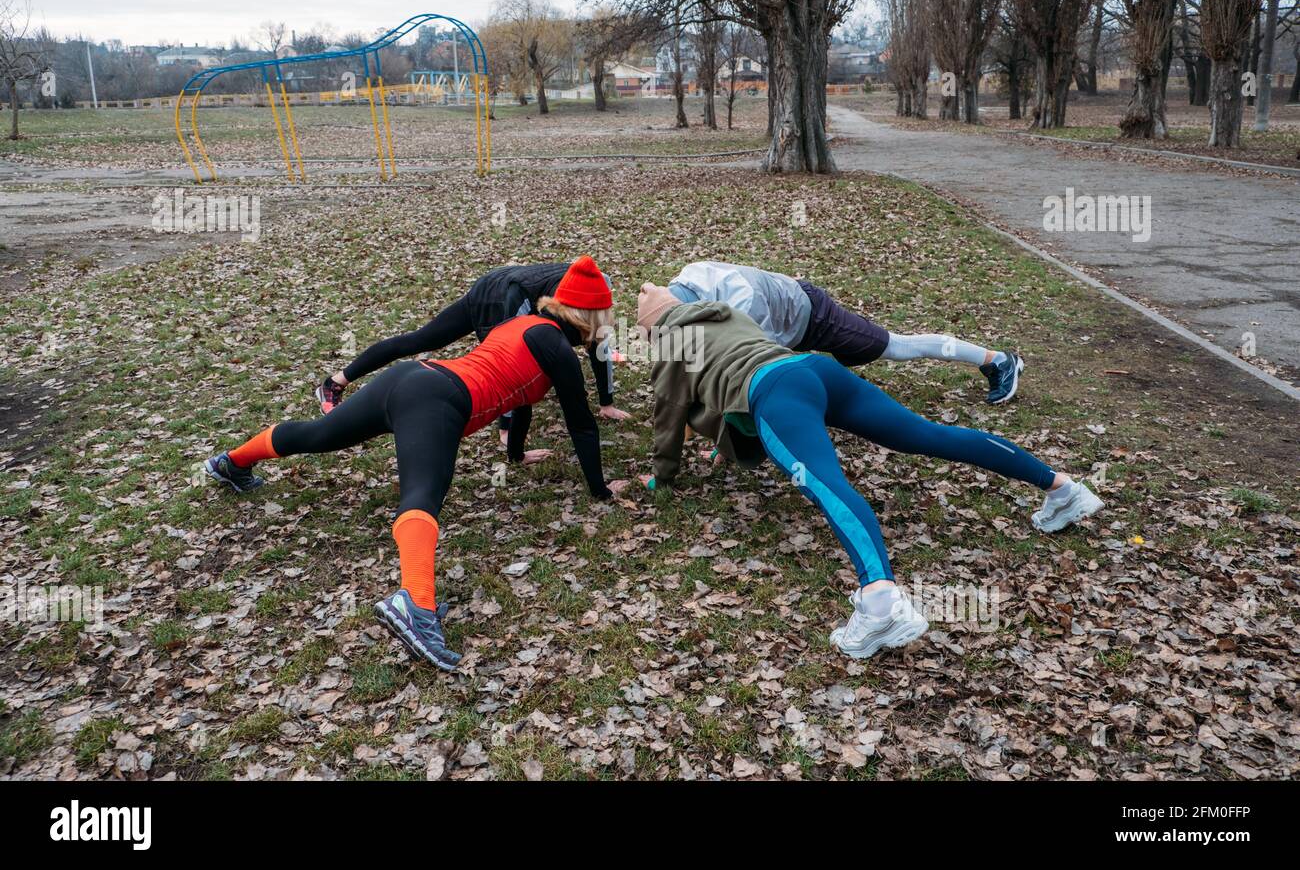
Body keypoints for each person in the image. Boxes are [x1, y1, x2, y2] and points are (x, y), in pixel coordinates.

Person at [636, 283, 1103, 660]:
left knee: (826, 485)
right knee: (928, 434)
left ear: (654, 329)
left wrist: (663, 477)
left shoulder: (671, 343)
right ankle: (1063, 488)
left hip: (774, 394)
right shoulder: (722, 312)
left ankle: (880, 603)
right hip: (814, 370)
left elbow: (669, 418)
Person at [206, 259, 628, 671]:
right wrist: (601, 489)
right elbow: (582, 425)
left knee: (317, 434)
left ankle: (231, 462)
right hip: (438, 400)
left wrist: (515, 455)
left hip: (411, 377)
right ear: (589, 317)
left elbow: (518, 394)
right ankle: (415, 604)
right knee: (423, 495)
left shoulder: (518, 325)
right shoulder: (558, 350)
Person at [315, 259, 631, 442]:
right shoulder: (546, 302)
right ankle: (335, 382)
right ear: (579, 306)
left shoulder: (593, 301)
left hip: (501, 281)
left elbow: (599, 346)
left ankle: (336, 381)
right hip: (497, 294)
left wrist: (606, 403)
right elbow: (509, 368)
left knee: (423, 340)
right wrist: (507, 430)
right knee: (423, 340)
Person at [664, 261, 1024, 404]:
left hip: (815, 317)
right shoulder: (685, 283)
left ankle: (998, 360)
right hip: (791, 319)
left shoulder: (743, 301)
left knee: (895, 347)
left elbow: (767, 362)